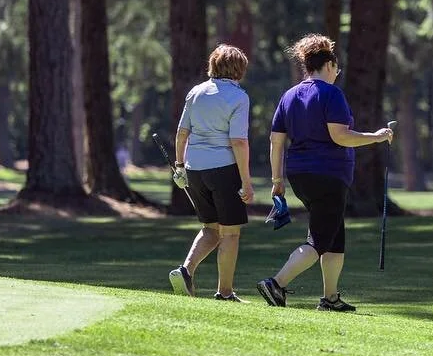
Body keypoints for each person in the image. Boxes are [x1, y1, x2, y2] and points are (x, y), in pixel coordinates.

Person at [256, 34, 393, 311]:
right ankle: (276, 283)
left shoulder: (289, 96)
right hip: (328, 173)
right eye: (337, 69)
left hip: (299, 175)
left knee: (334, 236)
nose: (337, 74)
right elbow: (341, 137)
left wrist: (276, 181)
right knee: (318, 240)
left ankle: (330, 298)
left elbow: (277, 142)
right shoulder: (332, 94)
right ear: (329, 64)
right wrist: (376, 137)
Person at [168, 44, 255, 301]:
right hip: (223, 169)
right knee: (230, 232)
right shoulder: (239, 97)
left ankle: (185, 270)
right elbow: (238, 141)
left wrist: (179, 165)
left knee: (211, 229)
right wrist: (247, 183)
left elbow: (182, 132)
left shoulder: (195, 92)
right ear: (239, 69)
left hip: (195, 170)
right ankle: (225, 292)